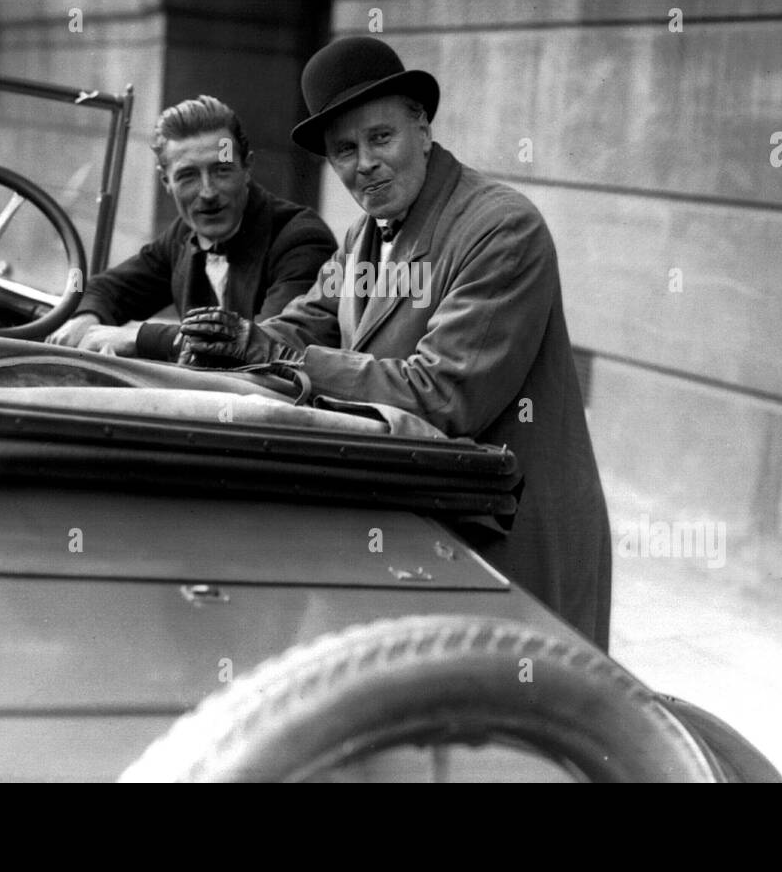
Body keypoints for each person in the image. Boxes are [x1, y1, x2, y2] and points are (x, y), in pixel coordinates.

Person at [177, 38, 613, 649]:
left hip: (509, 541)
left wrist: (269, 354)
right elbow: (305, 323)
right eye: (344, 150)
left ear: (423, 131)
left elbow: (442, 396)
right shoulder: (364, 234)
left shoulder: (501, 227)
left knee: (515, 703)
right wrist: (217, 343)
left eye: (381, 138)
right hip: (428, 526)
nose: (365, 164)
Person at [48, 94, 336, 359]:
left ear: (247, 168)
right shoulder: (183, 235)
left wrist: (143, 337)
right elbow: (108, 288)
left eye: (222, 170)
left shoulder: (301, 239)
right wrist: (87, 318)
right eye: (188, 176)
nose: (208, 192)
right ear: (166, 182)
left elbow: (271, 345)